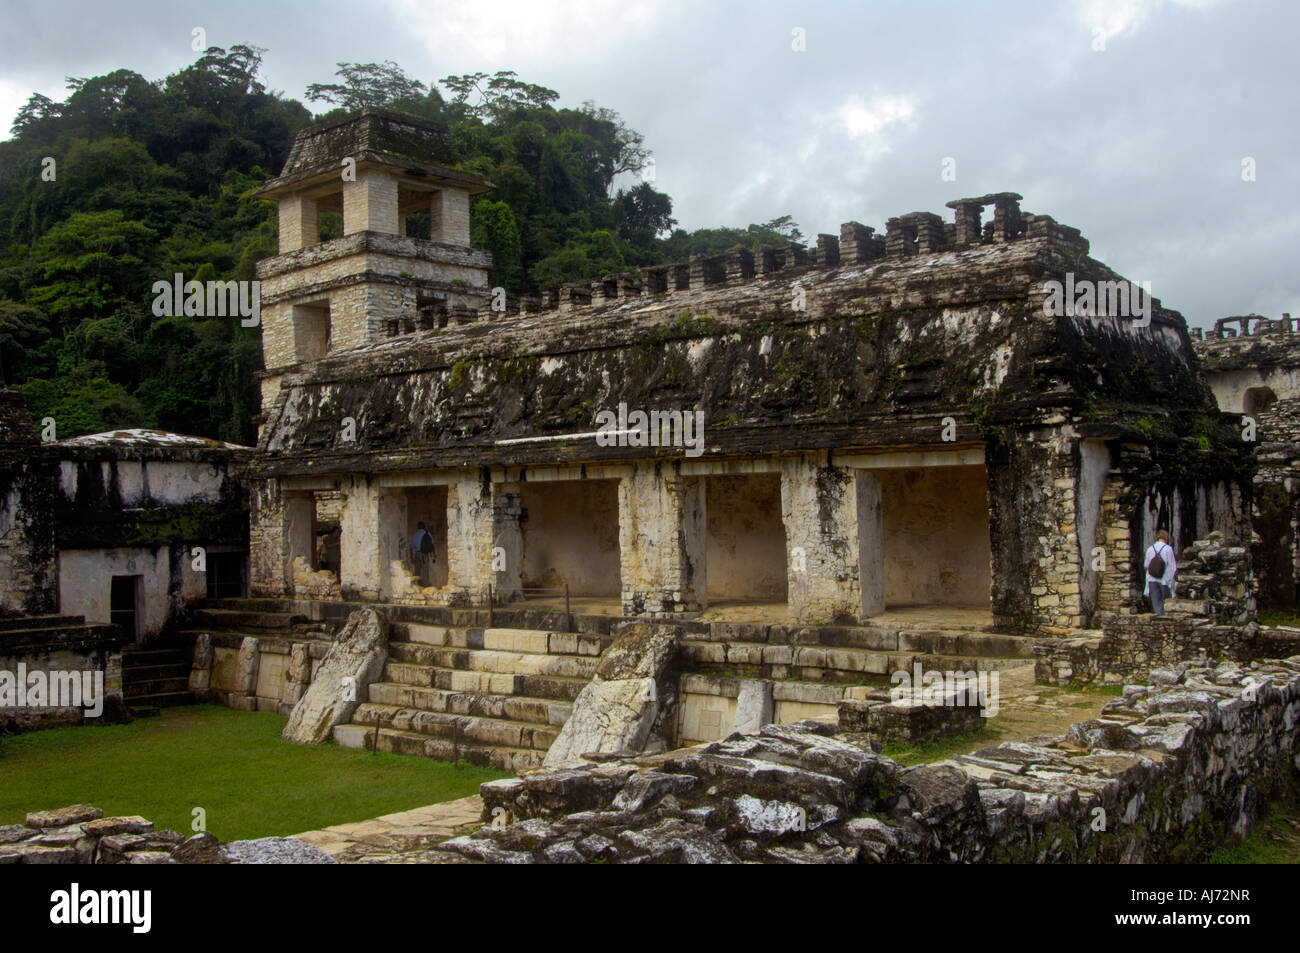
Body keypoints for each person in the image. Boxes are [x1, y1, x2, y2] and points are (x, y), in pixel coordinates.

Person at [1144, 529, 1177, 615]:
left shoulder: (1150, 549)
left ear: (1157, 537)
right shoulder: (1168, 549)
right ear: (1166, 538)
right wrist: (1172, 583)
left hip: (1152, 580)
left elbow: (1146, 565)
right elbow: (1173, 567)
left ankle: (1159, 621)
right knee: (1167, 603)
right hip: (1164, 580)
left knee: (1157, 604)